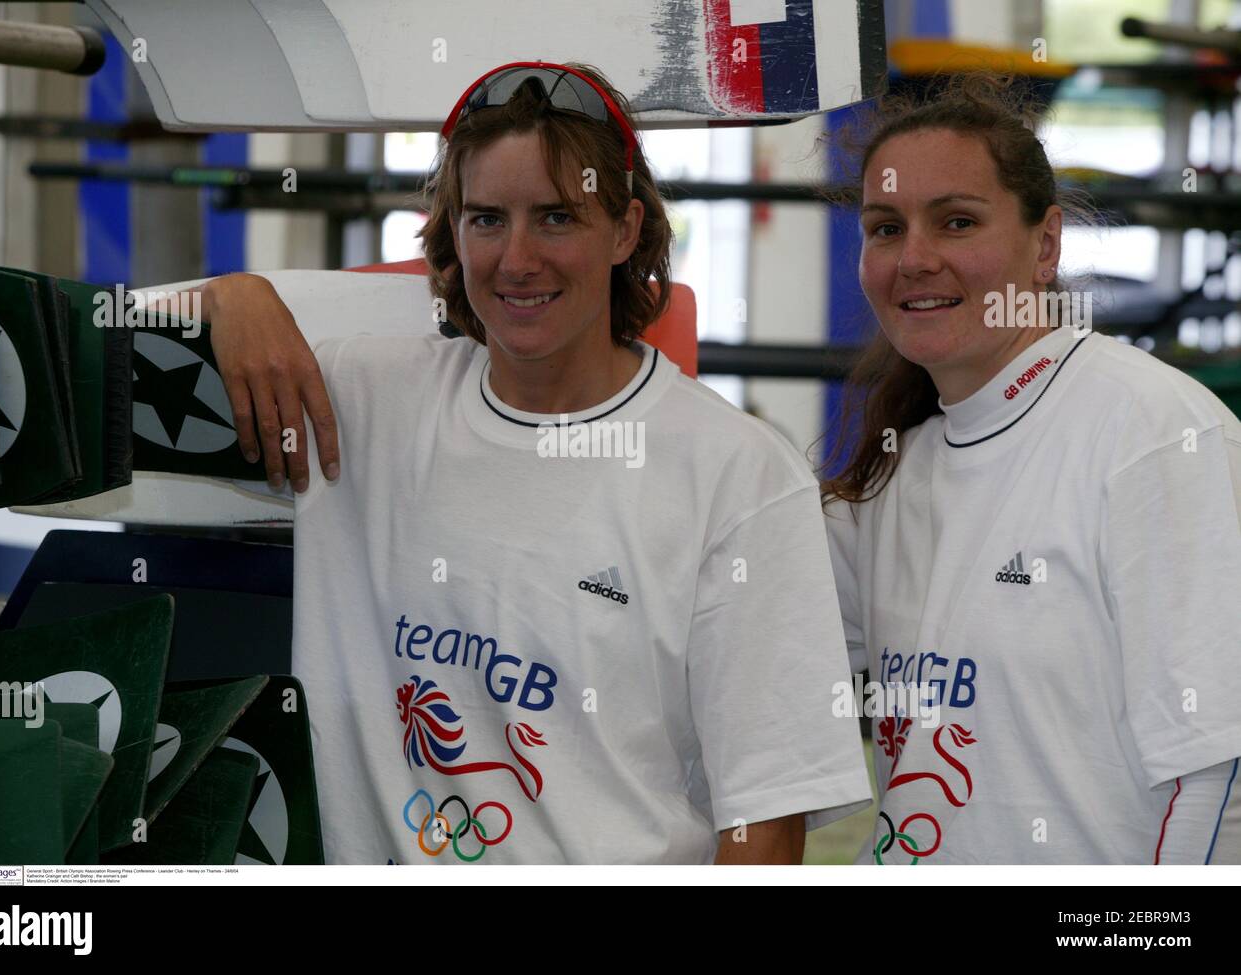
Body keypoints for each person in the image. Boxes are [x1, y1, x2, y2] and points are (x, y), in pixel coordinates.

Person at [198, 62, 872, 863]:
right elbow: (99, 344)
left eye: (556, 218)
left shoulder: (739, 476)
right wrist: (228, 295)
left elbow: (766, 816)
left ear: (625, 230)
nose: (516, 259)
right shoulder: (359, 400)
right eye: (487, 219)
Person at [816, 73, 1241, 864]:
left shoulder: (1152, 434)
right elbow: (756, 703)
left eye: (956, 222)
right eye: (885, 227)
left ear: (1044, 244)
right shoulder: (886, 482)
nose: (914, 259)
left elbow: (1219, 771)